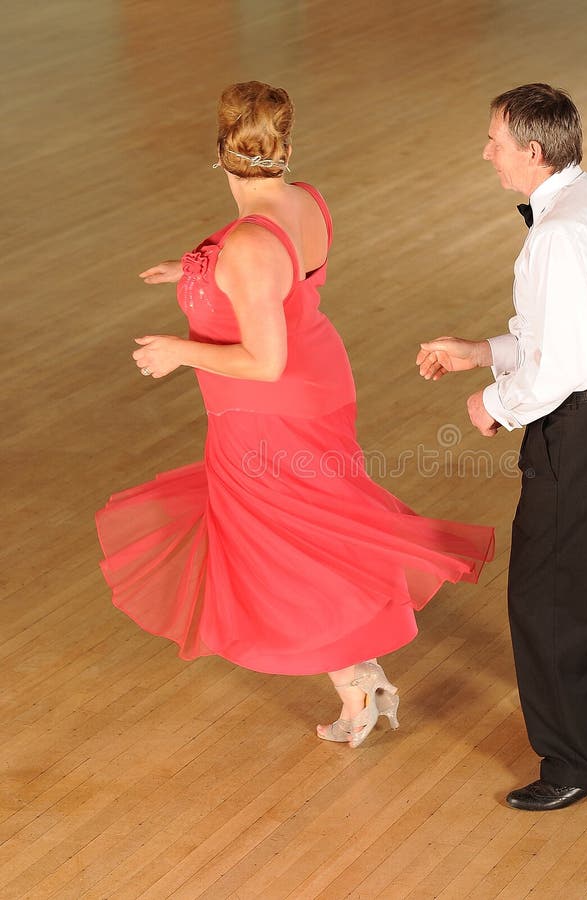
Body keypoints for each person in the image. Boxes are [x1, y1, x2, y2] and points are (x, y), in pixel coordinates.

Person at [96, 80, 494, 749]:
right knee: (306, 531)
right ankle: (358, 672)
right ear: (282, 147)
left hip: (267, 408)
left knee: (279, 546)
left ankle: (356, 681)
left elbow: (262, 358)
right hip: (320, 388)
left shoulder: (248, 247)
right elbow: (264, 275)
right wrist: (192, 272)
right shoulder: (304, 200)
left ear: (220, 150)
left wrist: (179, 351)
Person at [417, 83, 587, 809]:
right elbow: (563, 333)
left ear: (532, 150)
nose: (486, 153)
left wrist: (493, 406)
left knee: (545, 600)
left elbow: (555, 368)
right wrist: (481, 350)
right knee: (577, 578)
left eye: (494, 141)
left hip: (577, 429)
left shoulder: (554, 235)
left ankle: (578, 764)